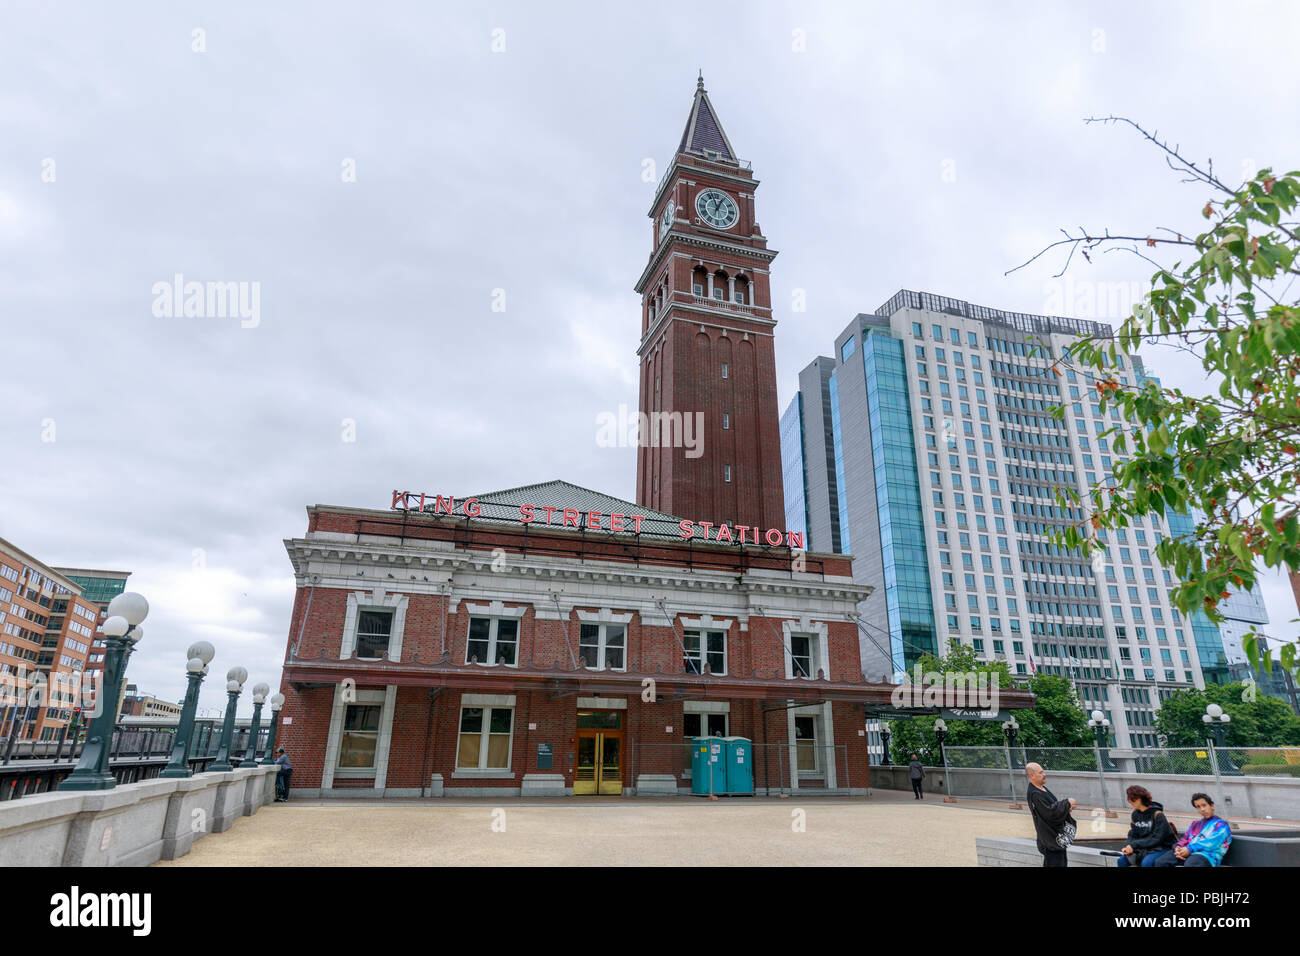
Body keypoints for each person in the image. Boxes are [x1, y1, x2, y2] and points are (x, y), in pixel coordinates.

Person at [1150, 793, 1231, 867]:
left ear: (1212, 806)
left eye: (1204, 805)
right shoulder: (1195, 824)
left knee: (1191, 864)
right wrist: (1178, 848)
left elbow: (1211, 843)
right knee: (1161, 862)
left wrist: (1189, 849)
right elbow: (1185, 839)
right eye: (1198, 807)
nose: (1202, 809)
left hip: (1207, 856)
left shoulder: (1221, 825)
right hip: (1188, 852)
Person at [1024, 762, 1077, 867]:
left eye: (1043, 771)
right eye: (1040, 773)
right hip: (1049, 841)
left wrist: (1066, 809)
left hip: (1057, 838)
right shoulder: (1035, 794)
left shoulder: (1041, 788)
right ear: (1032, 776)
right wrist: (1067, 803)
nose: (1044, 774)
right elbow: (1050, 813)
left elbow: (1053, 806)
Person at [1115, 785, 1175, 867]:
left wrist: (1134, 845)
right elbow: (1133, 834)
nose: (1129, 801)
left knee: (1147, 863)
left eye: (1131, 798)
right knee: (1121, 861)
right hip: (1144, 848)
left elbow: (1156, 839)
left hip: (1161, 847)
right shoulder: (1135, 814)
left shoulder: (1157, 815)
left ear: (1139, 799)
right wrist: (1128, 846)